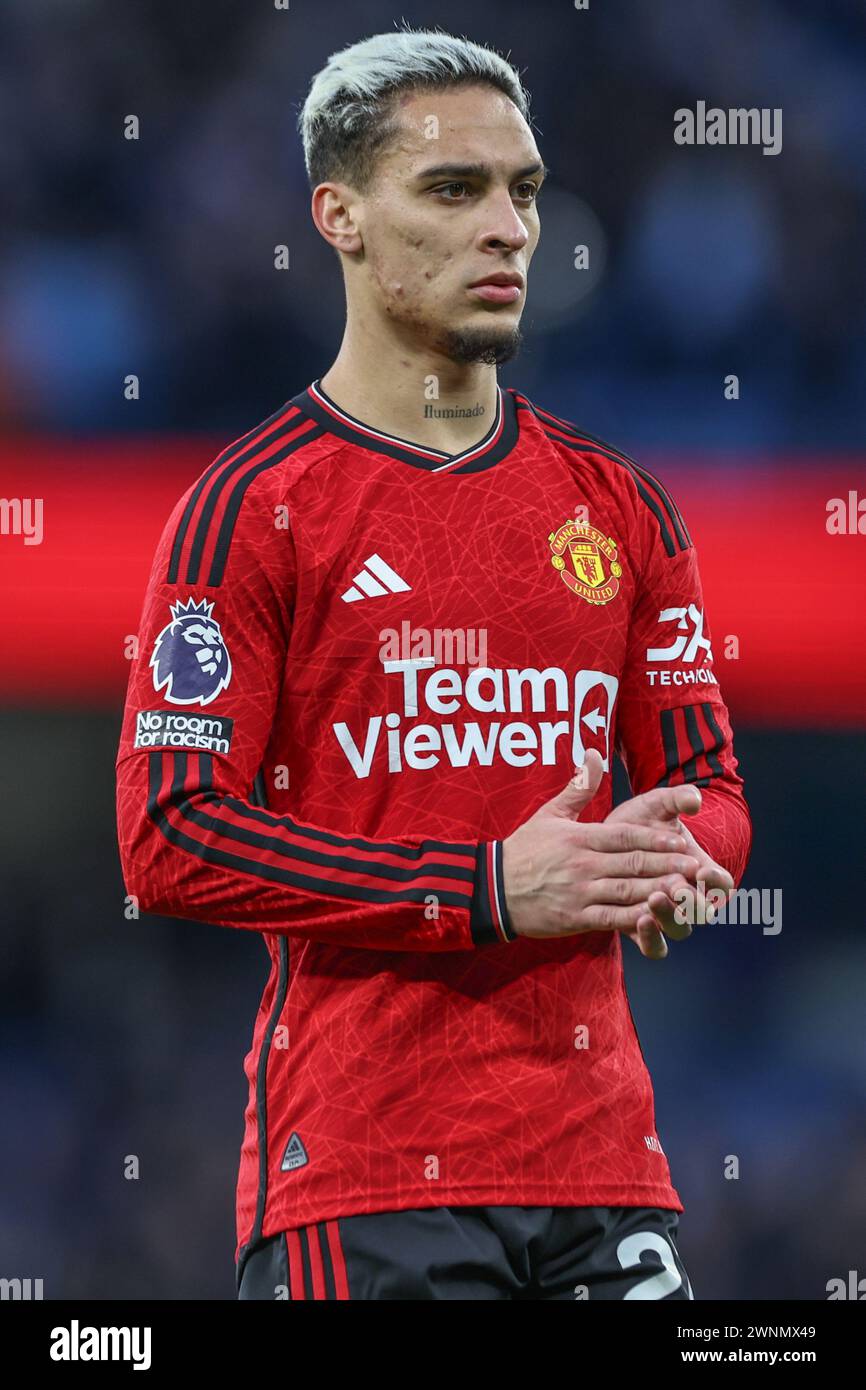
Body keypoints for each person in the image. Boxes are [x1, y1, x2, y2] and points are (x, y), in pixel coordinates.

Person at [115, 26, 751, 1300]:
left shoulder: (619, 507)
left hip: (601, 1169)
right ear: (339, 216)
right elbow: (171, 836)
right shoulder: (252, 507)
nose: (509, 227)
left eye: (521, 190)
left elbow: (712, 793)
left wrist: (674, 861)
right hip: (362, 1176)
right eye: (452, 190)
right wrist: (482, 884)